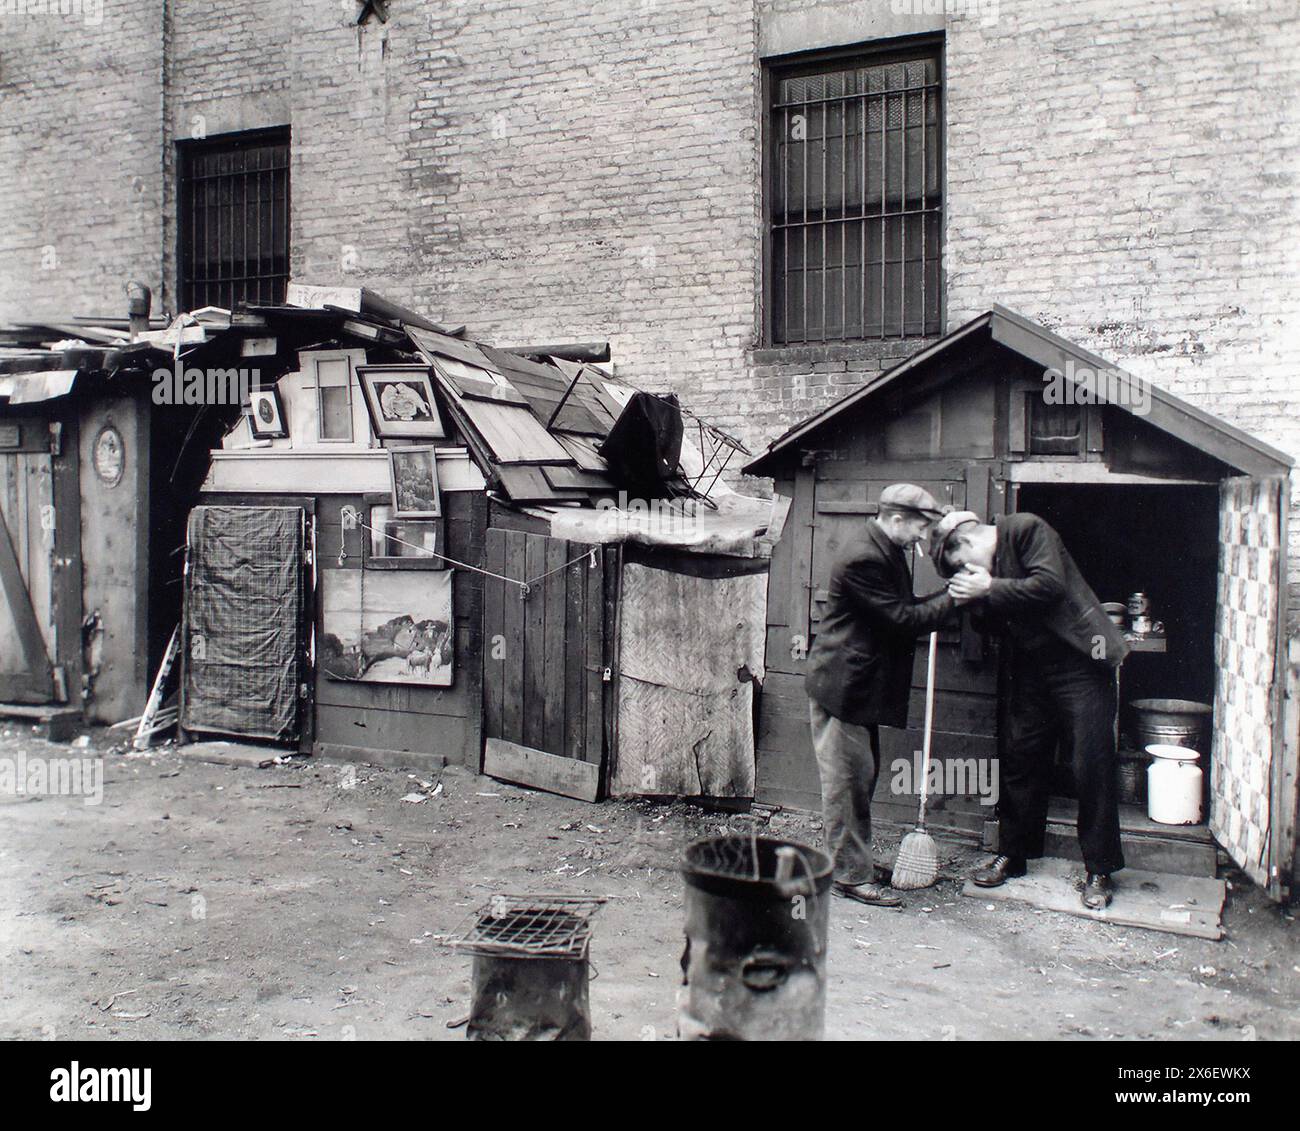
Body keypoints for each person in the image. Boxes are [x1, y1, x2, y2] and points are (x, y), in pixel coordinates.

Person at [930, 510, 1129, 909]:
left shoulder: (1025, 529)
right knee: (1020, 756)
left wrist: (988, 586)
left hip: (1081, 664)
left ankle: (1100, 870)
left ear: (966, 545)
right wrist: (974, 602)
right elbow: (989, 622)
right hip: (1031, 669)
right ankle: (1014, 853)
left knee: (1090, 763)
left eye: (962, 566)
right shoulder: (987, 575)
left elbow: (1049, 585)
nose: (968, 573)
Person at [805, 484, 955, 907]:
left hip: (858, 687)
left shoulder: (885, 548)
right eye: (919, 528)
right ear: (895, 520)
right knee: (847, 784)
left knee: (860, 778)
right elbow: (902, 618)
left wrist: (945, 598)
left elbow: (902, 609)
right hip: (843, 688)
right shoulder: (866, 557)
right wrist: (956, 596)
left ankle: (855, 863)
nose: (922, 538)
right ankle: (849, 876)